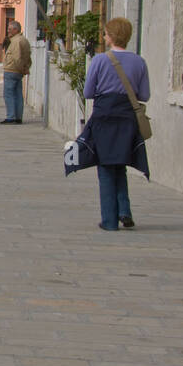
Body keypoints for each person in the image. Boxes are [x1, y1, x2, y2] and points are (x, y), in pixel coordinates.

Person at [65, 17, 150, 231]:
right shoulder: (139, 62)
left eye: (105, 33)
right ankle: (124, 211)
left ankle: (109, 220)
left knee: (105, 166)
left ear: (110, 37)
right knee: (119, 163)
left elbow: (88, 92)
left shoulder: (100, 61)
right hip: (127, 117)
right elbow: (144, 95)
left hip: (104, 117)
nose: (104, 37)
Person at [0, 19, 31, 123]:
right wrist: (26, 68)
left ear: (16, 29)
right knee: (18, 94)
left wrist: (21, 69)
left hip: (12, 70)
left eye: (10, 29)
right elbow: (28, 57)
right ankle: (18, 116)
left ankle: (11, 116)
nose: (8, 31)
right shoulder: (24, 40)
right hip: (18, 71)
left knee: (9, 94)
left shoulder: (16, 41)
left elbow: (17, 57)